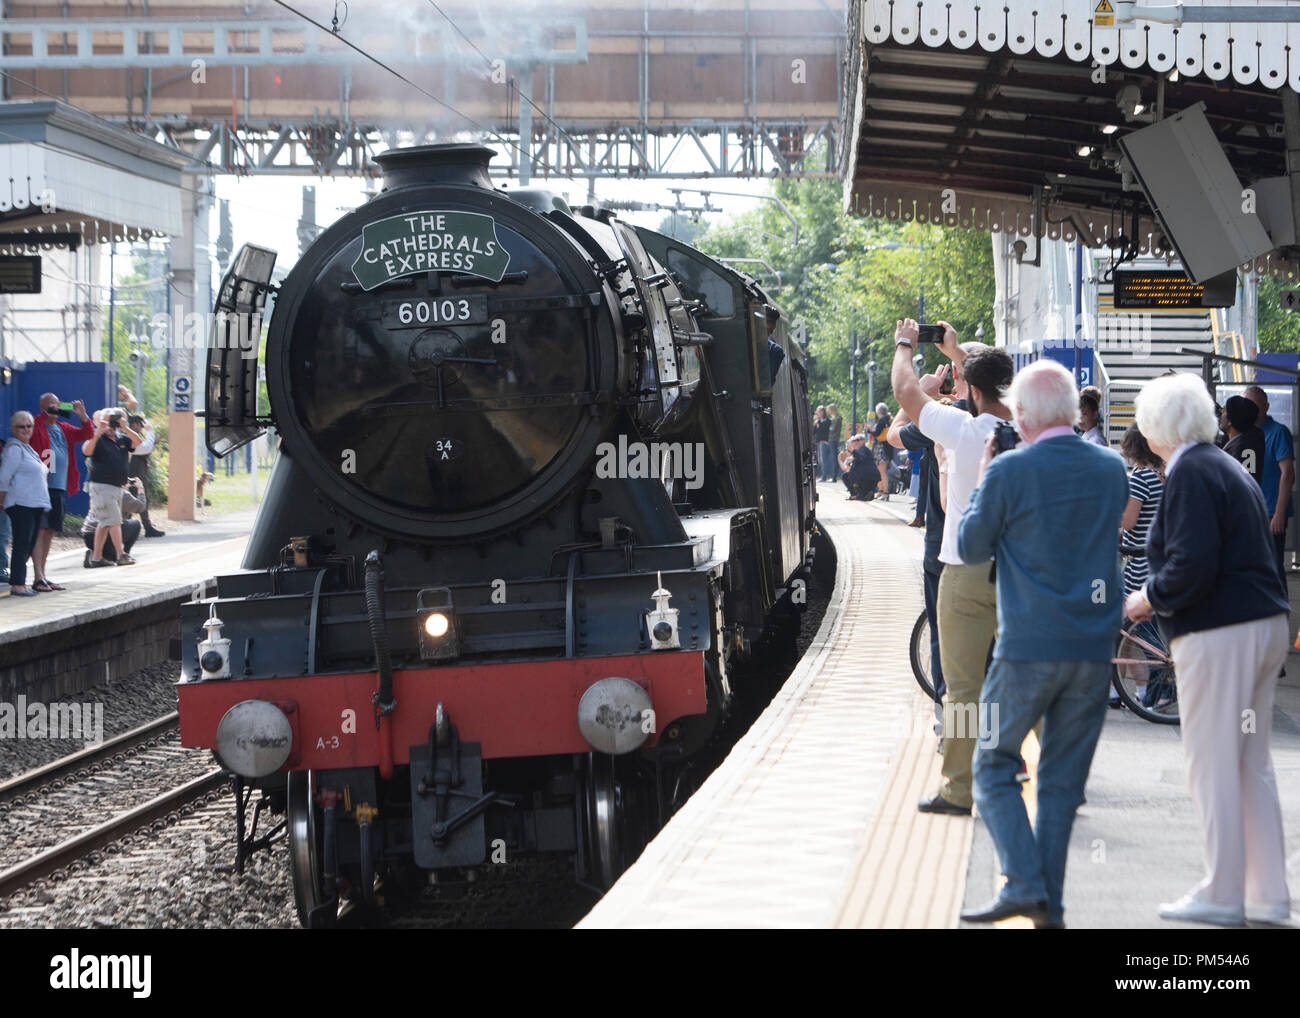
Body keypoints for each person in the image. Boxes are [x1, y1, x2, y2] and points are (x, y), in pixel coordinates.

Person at [956, 360, 1129, 927]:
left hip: (1027, 646)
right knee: (1058, 786)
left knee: (990, 765)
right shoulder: (1111, 469)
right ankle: (1045, 909)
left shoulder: (1009, 472)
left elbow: (972, 545)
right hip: (1093, 649)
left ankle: (1024, 882)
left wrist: (985, 480)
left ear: (1023, 414)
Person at [1126, 374, 1292, 926]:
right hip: (1262, 624)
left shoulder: (1191, 471)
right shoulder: (1220, 464)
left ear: (1155, 429)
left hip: (1221, 632)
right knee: (1249, 761)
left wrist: (1142, 600)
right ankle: (1266, 894)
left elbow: (1190, 566)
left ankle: (1222, 890)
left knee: (1213, 761)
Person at [892, 319, 1015, 815]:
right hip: (1022, 576)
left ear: (972, 390)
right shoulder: (1036, 427)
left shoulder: (964, 430)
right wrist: (963, 355)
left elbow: (905, 390)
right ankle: (1045, 774)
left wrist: (907, 342)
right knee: (1024, 675)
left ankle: (959, 788)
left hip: (964, 572)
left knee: (963, 688)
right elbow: (992, 387)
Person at [889, 367, 951, 710]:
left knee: (949, 645)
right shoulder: (1009, 424)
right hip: (999, 554)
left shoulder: (948, 421)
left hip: (949, 550)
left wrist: (923, 394)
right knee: (988, 653)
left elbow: (895, 435)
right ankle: (997, 746)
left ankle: (959, 737)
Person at [29, 393, 94, 592]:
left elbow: (87, 434)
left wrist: (82, 415)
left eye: (57, 405)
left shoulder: (63, 428)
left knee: (50, 530)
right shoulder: (36, 425)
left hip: (59, 486)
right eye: (51, 405)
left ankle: (44, 575)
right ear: (42, 408)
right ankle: (38, 576)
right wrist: (45, 415)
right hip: (41, 485)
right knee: (39, 529)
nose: (55, 408)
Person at [1244, 385, 1294, 579]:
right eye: (1247, 404)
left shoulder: (1278, 432)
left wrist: (1279, 513)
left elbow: (1288, 474)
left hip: (1271, 512)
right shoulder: (1243, 433)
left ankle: (1279, 609)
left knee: (1272, 568)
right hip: (1250, 512)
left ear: (1266, 407)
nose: (1251, 410)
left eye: (1255, 405)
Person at [0, 411, 52, 596]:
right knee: (22, 544)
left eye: (29, 426)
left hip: (34, 504)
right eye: (21, 426)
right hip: (21, 503)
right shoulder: (14, 449)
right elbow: (4, 477)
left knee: (28, 544)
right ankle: (18, 585)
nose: (26, 429)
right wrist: (2, 500)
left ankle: (20, 582)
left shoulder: (28, 449)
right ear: (14, 429)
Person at [82, 409, 141, 567]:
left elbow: (137, 443)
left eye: (113, 421)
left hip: (116, 487)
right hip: (102, 486)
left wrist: (125, 428)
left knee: (105, 522)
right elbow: (86, 450)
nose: (111, 425)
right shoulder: (98, 438)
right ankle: (121, 554)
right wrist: (98, 432)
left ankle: (96, 558)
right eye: (107, 421)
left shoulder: (122, 438)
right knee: (115, 521)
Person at [81, 477, 146, 565]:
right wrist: (140, 488)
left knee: (109, 525)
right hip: (105, 534)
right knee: (135, 524)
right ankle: (123, 555)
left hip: (87, 536)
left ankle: (96, 555)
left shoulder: (98, 490)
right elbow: (140, 507)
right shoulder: (121, 494)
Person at [127, 414, 166, 537]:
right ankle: (145, 527)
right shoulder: (130, 437)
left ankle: (130, 526)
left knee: (132, 501)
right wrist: (152, 441)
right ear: (134, 424)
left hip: (139, 473)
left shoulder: (134, 436)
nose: (141, 427)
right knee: (138, 500)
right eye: (140, 424)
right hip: (135, 474)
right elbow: (143, 451)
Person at [1220, 395, 1264, 487]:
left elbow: (1246, 486)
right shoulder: (1247, 443)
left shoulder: (1244, 450)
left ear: (1230, 421)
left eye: (1224, 410)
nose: (1221, 412)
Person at [869, 402, 893, 501]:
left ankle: (885, 493)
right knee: (881, 471)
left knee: (882, 471)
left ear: (878, 411)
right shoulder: (889, 419)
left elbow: (876, 433)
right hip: (887, 447)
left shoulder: (882, 420)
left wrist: (869, 430)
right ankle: (881, 491)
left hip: (880, 448)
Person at [839, 434, 875, 500]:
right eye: (854, 440)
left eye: (857, 440)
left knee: (852, 475)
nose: (855, 442)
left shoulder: (864, 449)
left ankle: (863, 494)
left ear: (863, 441)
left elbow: (862, 458)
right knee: (846, 475)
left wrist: (852, 452)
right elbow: (846, 468)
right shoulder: (856, 451)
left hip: (868, 475)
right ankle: (855, 494)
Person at [812, 405, 834, 482]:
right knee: (821, 460)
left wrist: (818, 424)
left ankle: (824, 477)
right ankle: (824, 476)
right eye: (817, 412)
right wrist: (815, 424)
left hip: (826, 442)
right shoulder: (817, 422)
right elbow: (814, 432)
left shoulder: (828, 421)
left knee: (825, 460)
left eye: (819, 412)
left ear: (822, 412)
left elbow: (825, 431)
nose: (818, 413)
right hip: (820, 442)